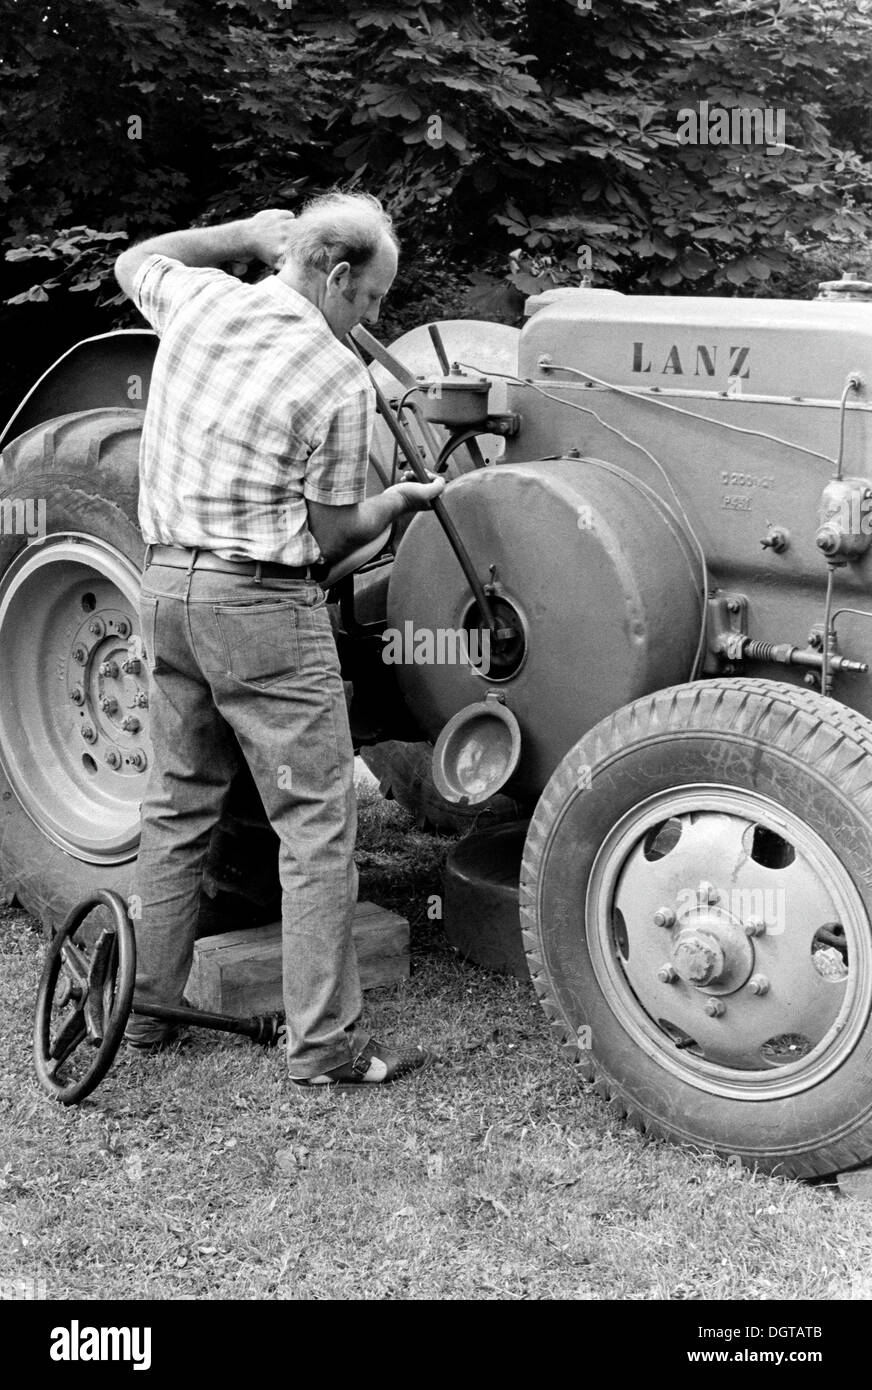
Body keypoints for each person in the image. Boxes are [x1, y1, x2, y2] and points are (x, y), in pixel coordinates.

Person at [114, 191, 444, 1085]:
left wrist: (239, 236)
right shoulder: (339, 377)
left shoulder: (201, 298)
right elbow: (337, 535)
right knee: (315, 825)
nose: (369, 316)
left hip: (165, 587)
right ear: (335, 275)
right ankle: (324, 1047)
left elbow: (134, 258)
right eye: (370, 299)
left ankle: (144, 1016)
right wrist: (400, 501)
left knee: (178, 807)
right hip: (260, 607)